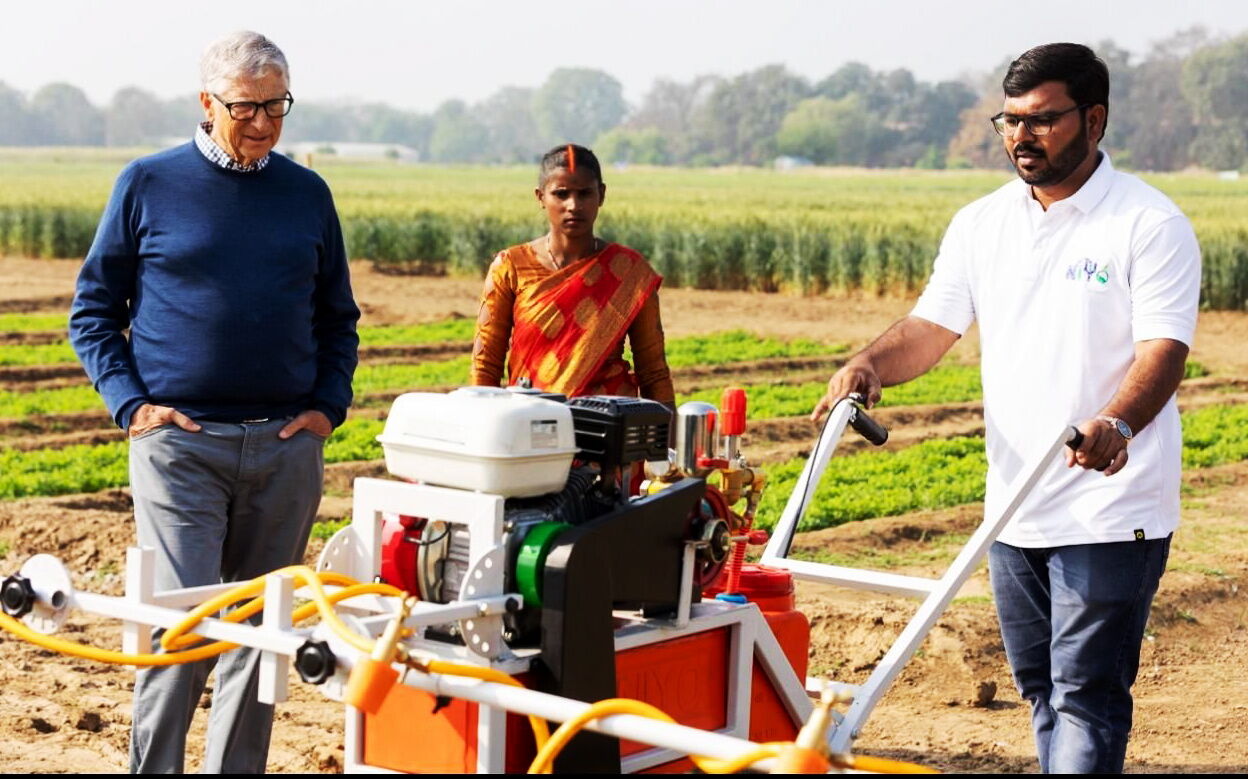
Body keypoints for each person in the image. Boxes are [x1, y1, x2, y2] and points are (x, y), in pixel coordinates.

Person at [812, 43, 1199, 773]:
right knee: (1043, 692)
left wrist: (1115, 424)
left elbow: (1163, 351)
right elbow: (930, 329)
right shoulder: (982, 223)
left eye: (1043, 120)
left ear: (1095, 119)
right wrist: (867, 363)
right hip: (1013, 506)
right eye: (1009, 120)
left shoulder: (1147, 222)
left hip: (1111, 508)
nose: (1021, 136)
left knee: (1086, 693)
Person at [68, 31, 360, 773]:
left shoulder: (307, 194)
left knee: (260, 638)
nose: (263, 123)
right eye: (246, 107)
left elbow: (337, 319)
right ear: (206, 104)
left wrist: (326, 407)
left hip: (285, 446)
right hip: (181, 445)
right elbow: (94, 311)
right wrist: (132, 406)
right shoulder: (147, 183)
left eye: (277, 106)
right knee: (185, 625)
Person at [471, 144, 675, 405]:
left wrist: (666, 444)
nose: (573, 205)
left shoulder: (628, 270)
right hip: (532, 424)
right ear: (541, 197)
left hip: (610, 425)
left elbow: (654, 373)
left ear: (601, 195)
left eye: (584, 194)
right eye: (561, 193)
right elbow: (485, 367)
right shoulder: (511, 266)